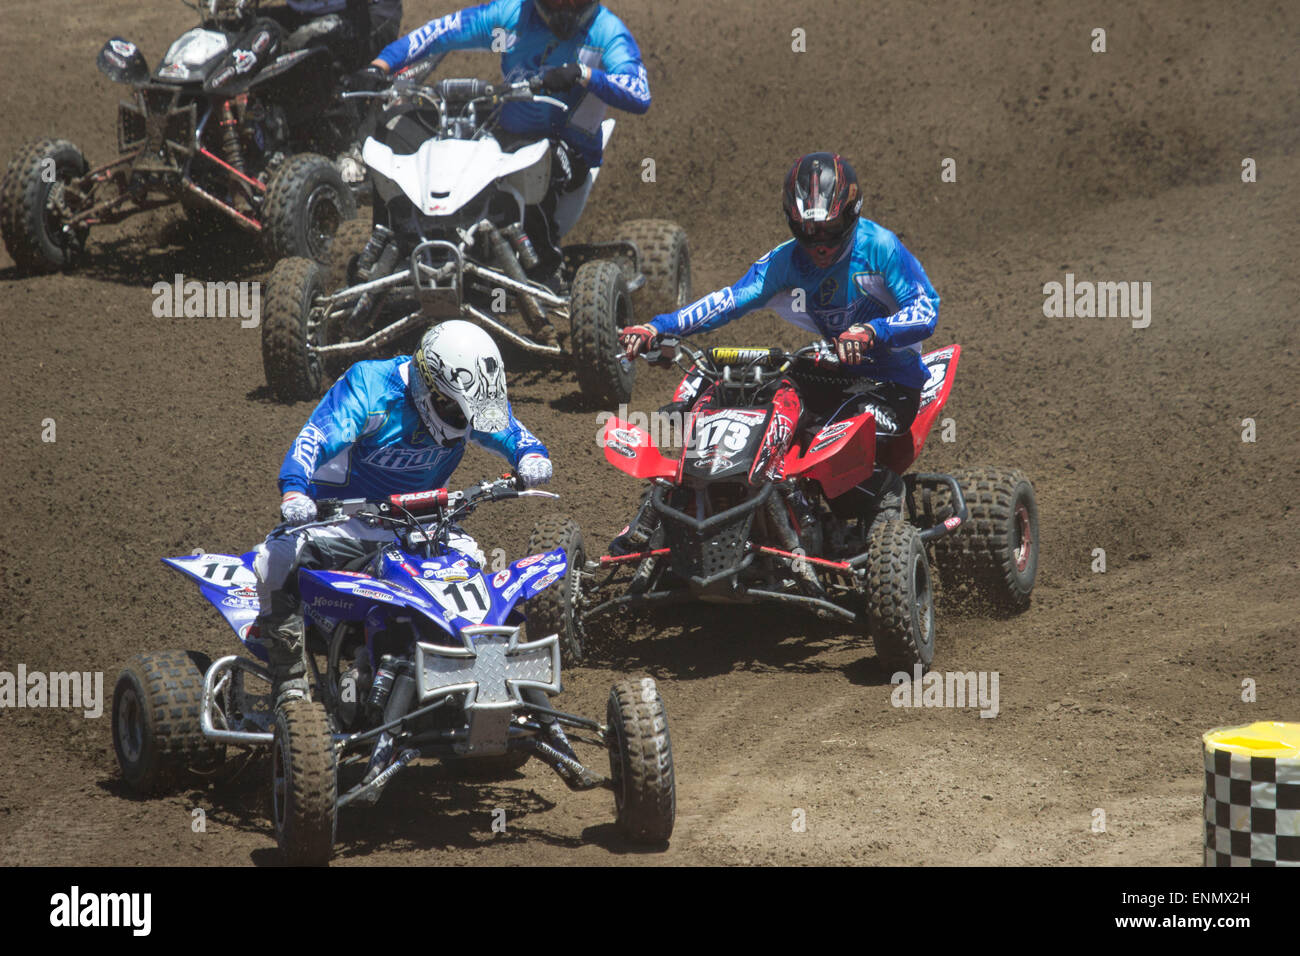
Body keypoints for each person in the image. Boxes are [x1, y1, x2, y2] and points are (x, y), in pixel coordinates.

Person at [613, 151, 941, 554]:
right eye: (808, 230)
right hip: (832, 375)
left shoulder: (880, 248)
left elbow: (926, 309)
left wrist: (872, 332)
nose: (819, 242)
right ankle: (701, 503)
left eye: (831, 227)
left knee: (835, 441)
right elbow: (728, 300)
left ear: (851, 214)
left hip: (891, 383)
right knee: (748, 396)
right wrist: (657, 326)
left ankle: (882, 520)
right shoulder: (787, 260)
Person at [252, 320, 553, 705]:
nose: (465, 423)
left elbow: (511, 432)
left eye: (470, 414)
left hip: (426, 523)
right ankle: (290, 684)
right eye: (457, 413)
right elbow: (315, 437)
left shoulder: (469, 393)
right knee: (275, 558)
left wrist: (530, 455)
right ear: (431, 388)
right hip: (344, 521)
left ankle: (480, 680)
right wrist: (295, 489)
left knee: (474, 569)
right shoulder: (371, 386)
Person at [356, 0, 651, 276]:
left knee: (537, 162)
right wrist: (380, 66)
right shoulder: (511, 16)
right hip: (506, 136)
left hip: (569, 147)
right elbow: (440, 32)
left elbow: (639, 92)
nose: (564, 8)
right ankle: (392, 251)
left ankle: (544, 271)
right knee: (399, 133)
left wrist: (584, 74)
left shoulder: (607, 33)